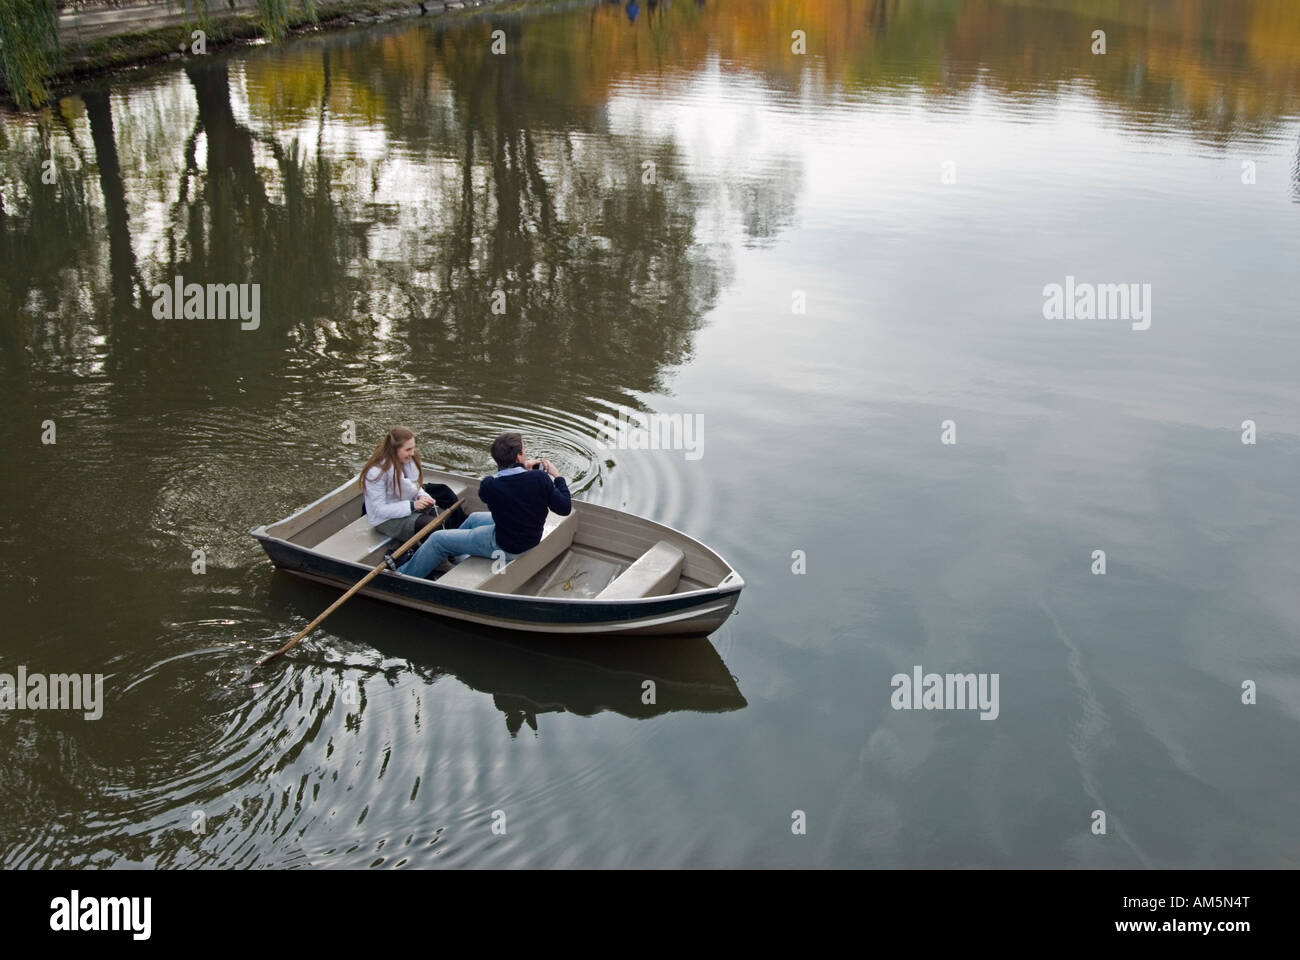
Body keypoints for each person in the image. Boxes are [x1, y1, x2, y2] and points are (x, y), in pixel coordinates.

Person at [394, 432, 571, 580]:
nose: (526, 454)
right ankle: (446, 557)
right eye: (524, 451)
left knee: (437, 539)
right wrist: (557, 476)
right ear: (518, 456)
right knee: (474, 518)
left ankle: (405, 575)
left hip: (506, 545)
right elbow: (564, 508)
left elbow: (499, 489)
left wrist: (521, 469)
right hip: (527, 537)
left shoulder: (490, 485)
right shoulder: (539, 478)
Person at [359, 426, 450, 546]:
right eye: (408, 449)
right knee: (431, 526)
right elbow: (379, 510)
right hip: (385, 520)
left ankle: (446, 551)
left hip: (406, 506)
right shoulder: (376, 472)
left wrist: (422, 496)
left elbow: (414, 486)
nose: (412, 453)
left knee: (443, 516)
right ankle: (440, 562)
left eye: (413, 448)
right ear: (394, 450)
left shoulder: (407, 461)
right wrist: (412, 506)